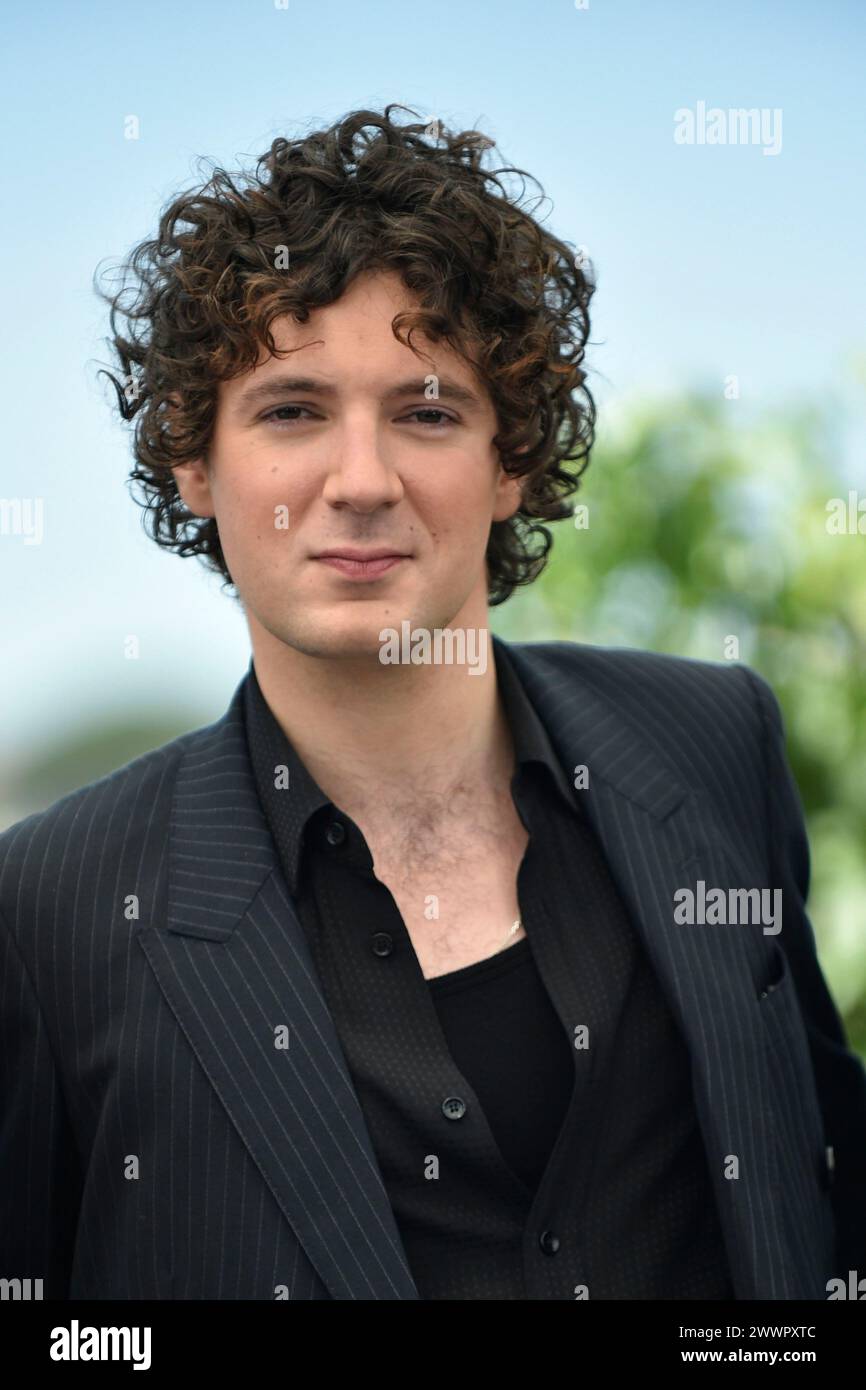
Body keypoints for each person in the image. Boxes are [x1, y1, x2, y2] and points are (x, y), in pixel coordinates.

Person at [1, 105, 863, 1301]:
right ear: (194, 464)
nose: (360, 482)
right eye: (291, 409)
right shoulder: (51, 905)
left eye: (426, 411)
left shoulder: (713, 739)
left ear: (510, 461)